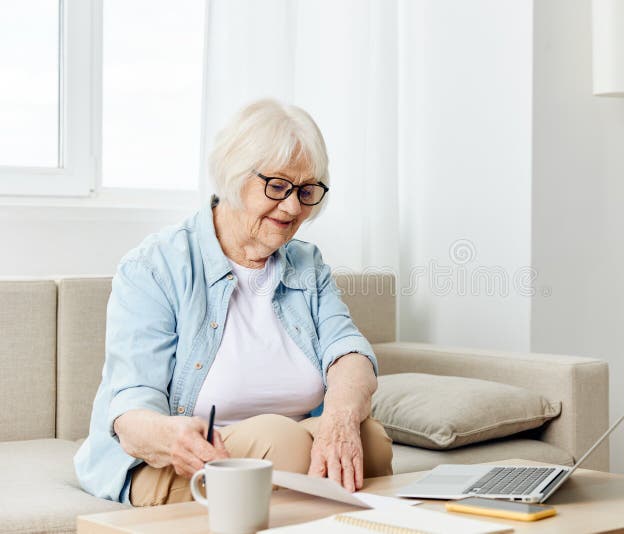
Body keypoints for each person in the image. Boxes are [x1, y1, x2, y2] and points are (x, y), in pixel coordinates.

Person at [74, 98, 393, 505]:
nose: (294, 206)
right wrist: (171, 436)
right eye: (277, 186)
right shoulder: (155, 266)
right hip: (182, 464)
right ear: (233, 175)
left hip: (284, 448)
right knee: (284, 445)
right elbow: (131, 406)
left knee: (371, 441)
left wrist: (341, 418)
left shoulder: (305, 264)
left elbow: (348, 352)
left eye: (306, 190)